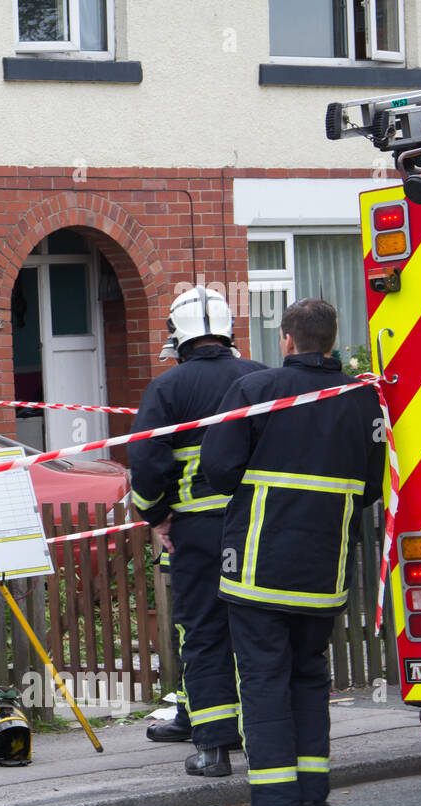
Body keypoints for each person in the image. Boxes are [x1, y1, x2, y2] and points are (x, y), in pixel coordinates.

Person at [201, 298, 385, 806]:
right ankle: (312, 800)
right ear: (330, 341)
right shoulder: (362, 399)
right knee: (309, 678)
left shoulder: (257, 390)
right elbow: (372, 485)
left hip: (259, 565)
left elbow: (219, 467)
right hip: (323, 571)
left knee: (262, 679)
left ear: (287, 339)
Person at [130, 286, 265, 772]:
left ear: (178, 336)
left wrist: (157, 514)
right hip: (258, 528)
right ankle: (262, 737)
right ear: (228, 330)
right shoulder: (259, 377)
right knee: (258, 630)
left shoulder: (168, 388)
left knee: (203, 630)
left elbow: (145, 462)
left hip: (198, 531)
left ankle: (211, 748)